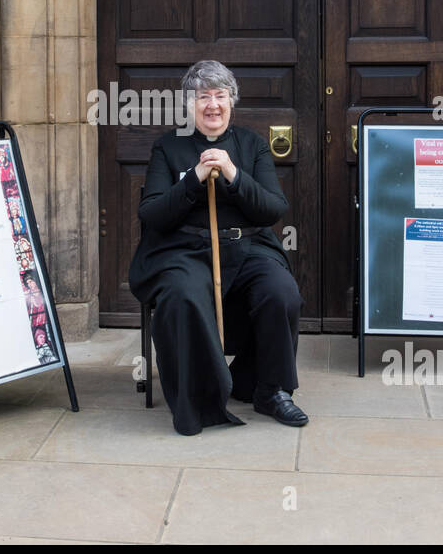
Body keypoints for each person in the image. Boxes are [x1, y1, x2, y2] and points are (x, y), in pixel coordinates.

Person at [128, 60, 308, 435]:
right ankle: (198, 396)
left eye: (220, 95)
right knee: (183, 294)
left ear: (231, 101)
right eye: (202, 96)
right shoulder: (168, 147)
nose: (212, 104)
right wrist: (193, 179)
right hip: (184, 250)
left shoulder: (251, 145)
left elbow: (273, 209)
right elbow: (153, 213)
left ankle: (270, 389)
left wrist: (232, 173)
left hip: (247, 247)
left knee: (281, 292)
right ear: (189, 105)